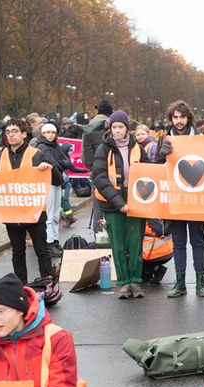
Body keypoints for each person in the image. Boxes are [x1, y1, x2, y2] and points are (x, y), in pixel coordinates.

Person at [155, 101, 204, 298]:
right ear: (171, 118)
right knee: (178, 243)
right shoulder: (164, 139)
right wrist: (161, 156)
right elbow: (156, 171)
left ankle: (200, 281)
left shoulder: (201, 138)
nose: (179, 121)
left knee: (198, 242)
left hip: (196, 199)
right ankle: (180, 282)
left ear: (188, 117)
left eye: (182, 117)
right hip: (175, 199)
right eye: (175, 117)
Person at [0, 119, 57, 285]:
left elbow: (57, 178)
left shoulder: (36, 155)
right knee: (18, 252)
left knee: (41, 250)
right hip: (12, 213)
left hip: (34, 212)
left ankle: (47, 284)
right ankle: (21, 286)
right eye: (8, 132)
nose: (11, 135)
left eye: (14, 131)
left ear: (23, 134)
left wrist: (48, 168)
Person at [92, 110, 148, 299]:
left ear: (127, 128)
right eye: (114, 127)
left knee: (135, 241)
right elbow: (99, 178)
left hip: (136, 197)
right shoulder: (103, 149)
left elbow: (150, 171)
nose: (117, 130)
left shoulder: (138, 148)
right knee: (118, 243)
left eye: (120, 127)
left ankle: (135, 280)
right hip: (112, 200)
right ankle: (124, 282)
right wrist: (119, 203)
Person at [37, 123, 69, 258]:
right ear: (43, 133)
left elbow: (65, 160)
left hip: (57, 180)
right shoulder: (41, 146)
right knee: (49, 215)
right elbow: (53, 163)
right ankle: (49, 243)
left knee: (55, 214)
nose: (50, 135)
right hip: (48, 182)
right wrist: (61, 164)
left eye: (53, 132)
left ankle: (55, 241)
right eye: (48, 132)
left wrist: (61, 164)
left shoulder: (55, 145)